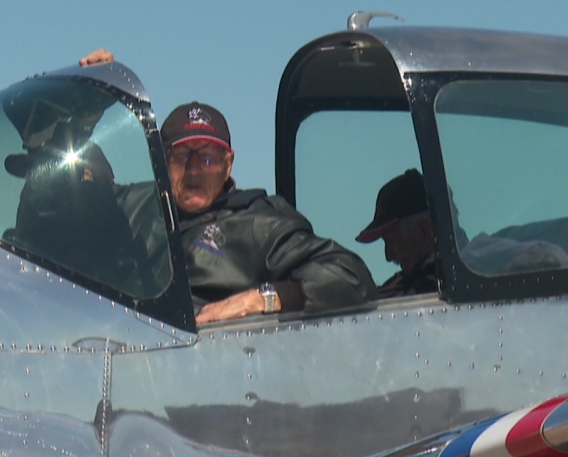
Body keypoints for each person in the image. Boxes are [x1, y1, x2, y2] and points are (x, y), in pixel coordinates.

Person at [80, 49, 376, 323]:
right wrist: (89, 106)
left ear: (228, 165)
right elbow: (55, 206)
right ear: (162, 161)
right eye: (182, 156)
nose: (194, 169)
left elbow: (351, 276)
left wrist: (259, 299)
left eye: (208, 158)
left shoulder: (258, 222)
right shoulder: (134, 205)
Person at [357, 169, 568, 297]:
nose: (388, 256)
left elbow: (551, 256)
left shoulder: (473, 258)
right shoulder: (404, 280)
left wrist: (483, 284)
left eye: (392, 242)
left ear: (426, 230)